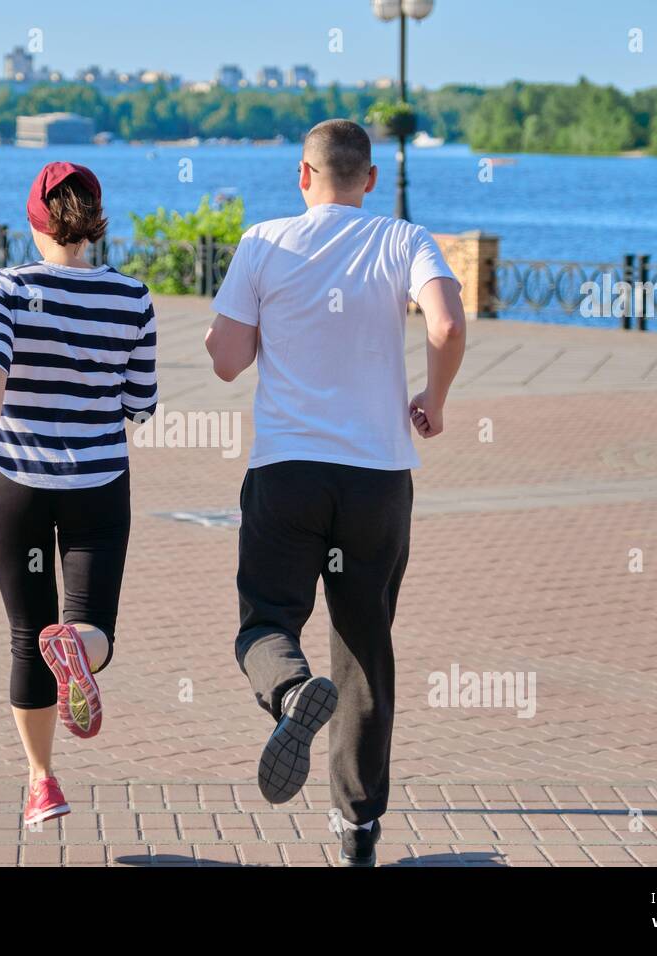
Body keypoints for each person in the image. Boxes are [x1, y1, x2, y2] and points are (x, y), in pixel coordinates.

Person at [205, 119, 467, 866]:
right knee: (364, 650)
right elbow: (447, 326)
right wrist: (434, 401)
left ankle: (289, 695)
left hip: (287, 471)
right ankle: (357, 827)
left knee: (264, 623)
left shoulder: (263, 242)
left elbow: (226, 362)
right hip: (377, 478)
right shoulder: (402, 239)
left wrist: (233, 335)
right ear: (371, 179)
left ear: (302, 175)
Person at [0, 161, 158, 828]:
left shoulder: (3, 288)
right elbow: (140, 404)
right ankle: (77, 647)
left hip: (17, 482)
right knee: (90, 624)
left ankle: (42, 782)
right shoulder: (132, 297)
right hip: (99, 484)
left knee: (25, 637)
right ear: (96, 220)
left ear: (34, 219)